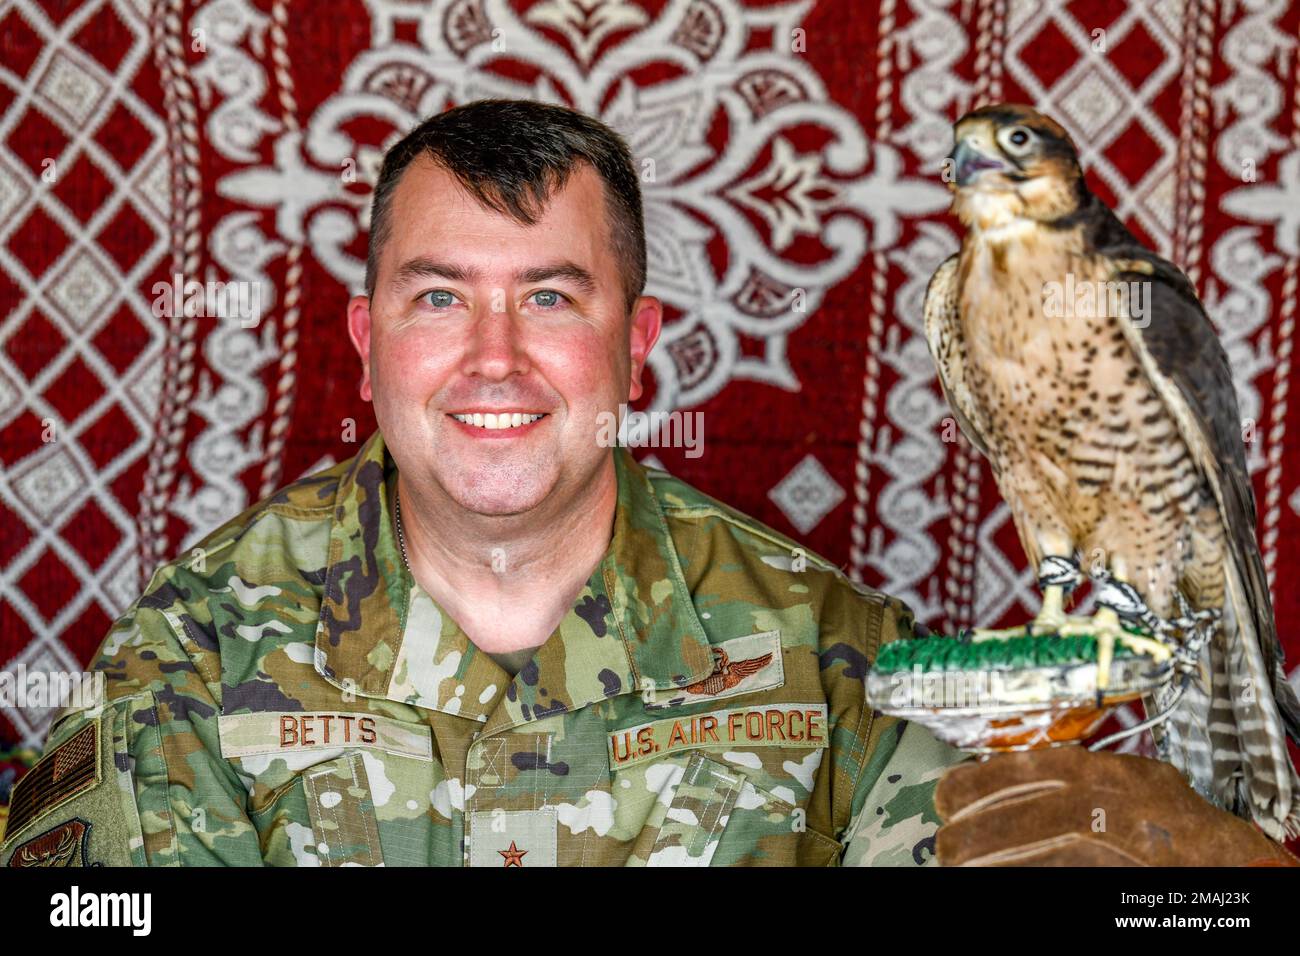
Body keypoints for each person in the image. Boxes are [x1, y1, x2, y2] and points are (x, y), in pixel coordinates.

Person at [0, 99, 964, 867]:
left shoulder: (835, 654)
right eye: (439, 298)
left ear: (635, 348)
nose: (493, 358)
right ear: (366, 344)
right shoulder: (198, 648)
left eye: (549, 297)